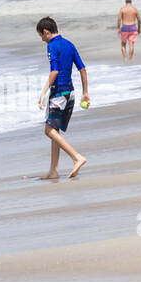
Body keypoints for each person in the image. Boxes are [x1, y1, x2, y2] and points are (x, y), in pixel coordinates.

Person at [36, 17, 89, 179]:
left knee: (49, 130)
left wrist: (43, 92)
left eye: (41, 36)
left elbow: (55, 71)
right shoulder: (69, 44)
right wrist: (85, 92)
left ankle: (76, 157)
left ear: (46, 32)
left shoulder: (52, 46)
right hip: (71, 93)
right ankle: (54, 170)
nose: (42, 40)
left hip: (59, 94)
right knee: (55, 131)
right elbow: (82, 69)